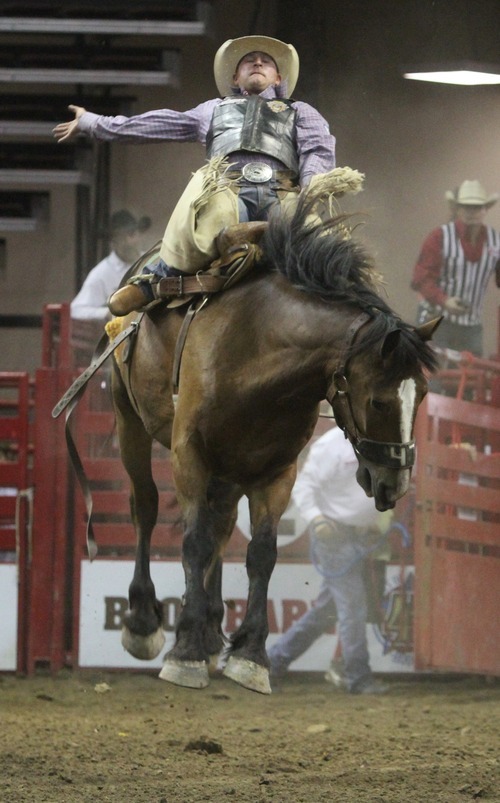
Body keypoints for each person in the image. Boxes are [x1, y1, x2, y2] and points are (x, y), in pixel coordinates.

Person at [53, 35, 337, 316]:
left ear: (278, 78)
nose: (258, 63)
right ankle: (152, 282)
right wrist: (92, 123)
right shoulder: (212, 109)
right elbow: (157, 124)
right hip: (227, 190)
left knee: (319, 244)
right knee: (203, 228)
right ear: (236, 78)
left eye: (266, 61)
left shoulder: (301, 111)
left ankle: (352, 299)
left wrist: (310, 189)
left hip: (284, 192)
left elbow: (318, 151)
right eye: (249, 60)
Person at [267, 425, 390, 695]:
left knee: (326, 612)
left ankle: (274, 661)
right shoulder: (331, 445)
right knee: (352, 608)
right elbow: (304, 486)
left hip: (355, 538)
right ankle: (357, 677)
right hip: (334, 536)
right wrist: (317, 519)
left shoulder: (377, 443)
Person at [411, 179, 500, 356]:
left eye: (476, 207)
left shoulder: (495, 241)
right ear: (457, 209)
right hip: (437, 320)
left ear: (485, 209)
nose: (471, 212)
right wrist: (444, 300)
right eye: (466, 207)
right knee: (433, 378)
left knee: (472, 378)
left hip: (471, 327)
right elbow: (421, 279)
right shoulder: (440, 237)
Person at [70, 209, 151, 323]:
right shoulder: (102, 273)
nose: (129, 241)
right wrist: (107, 312)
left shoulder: (151, 262)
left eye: (132, 234)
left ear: (139, 235)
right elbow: (76, 309)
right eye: (123, 237)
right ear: (113, 242)